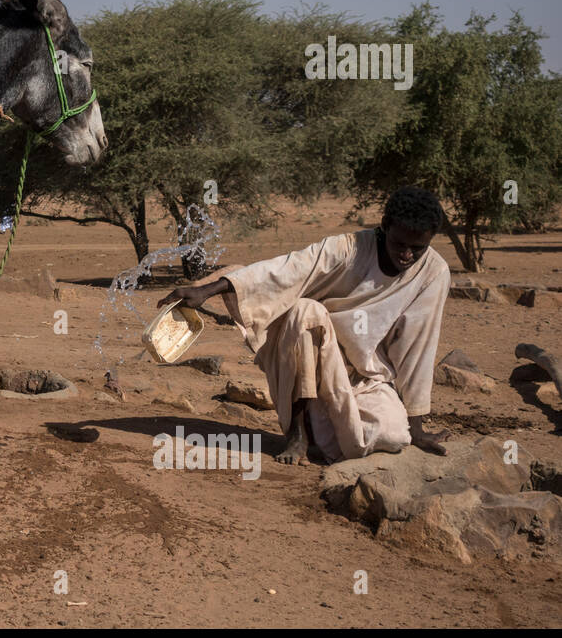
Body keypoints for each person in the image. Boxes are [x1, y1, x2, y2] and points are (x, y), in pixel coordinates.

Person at [159, 186, 452, 464]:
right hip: (308, 358)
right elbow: (286, 269)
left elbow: (418, 346)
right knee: (305, 311)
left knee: (390, 435)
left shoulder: (433, 273)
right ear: (385, 225)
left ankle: (323, 429)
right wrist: (207, 290)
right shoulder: (349, 248)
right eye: (400, 244)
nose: (407, 255)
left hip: (367, 374)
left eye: (418, 248)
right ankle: (298, 433)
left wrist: (417, 426)